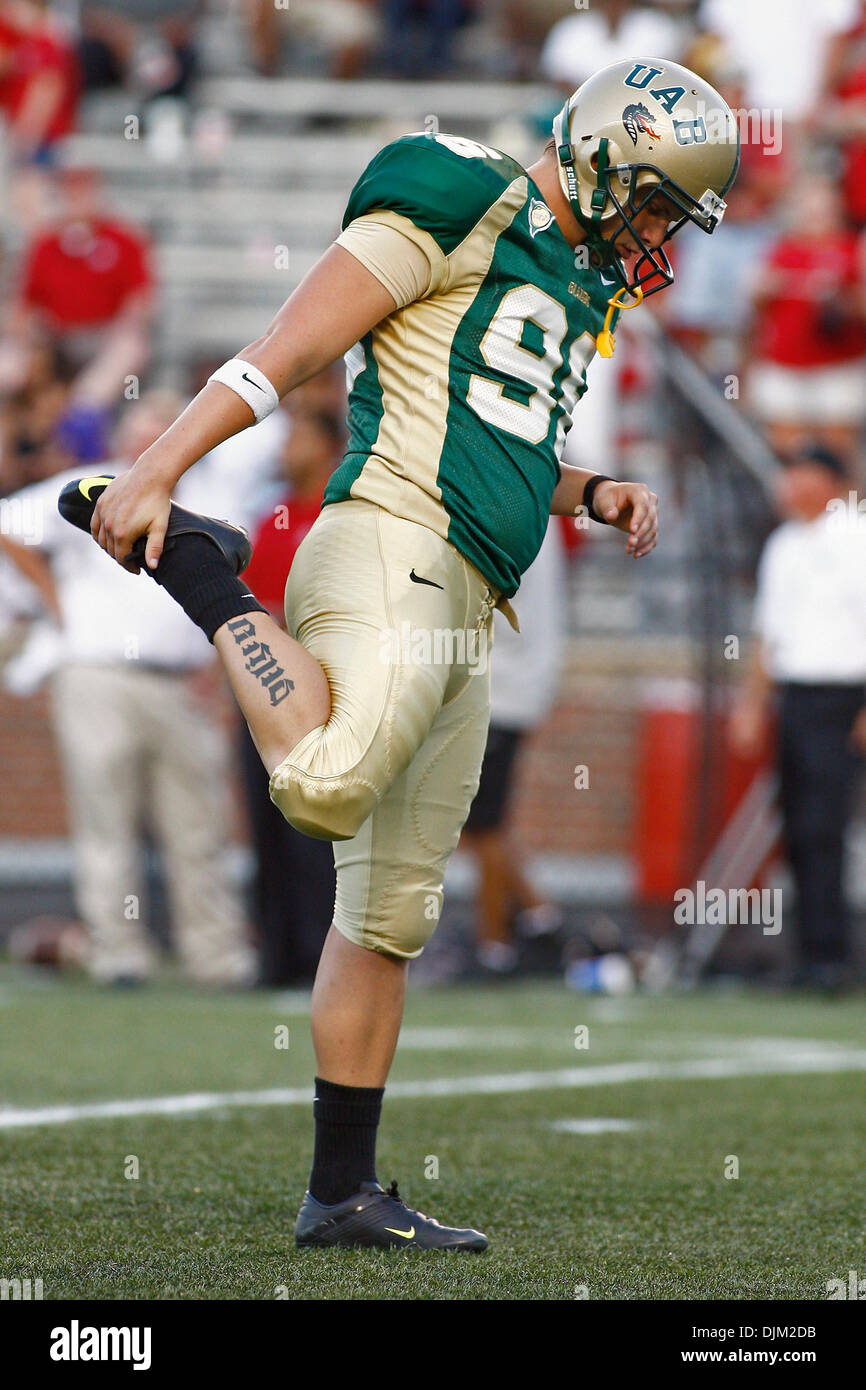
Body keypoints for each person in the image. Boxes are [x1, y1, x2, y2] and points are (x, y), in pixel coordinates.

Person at [65, 58, 737, 1250]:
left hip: (468, 595)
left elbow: (498, 434)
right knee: (323, 783)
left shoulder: (566, 276)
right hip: (393, 543)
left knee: (387, 915)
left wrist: (588, 490)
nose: (652, 236)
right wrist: (159, 467)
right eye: (650, 203)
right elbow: (287, 346)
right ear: (598, 153)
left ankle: (342, 1193)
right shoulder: (460, 190)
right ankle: (205, 570)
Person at [1, 394, 253, 987]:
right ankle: (119, 954)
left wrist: (215, 664)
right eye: (144, 429)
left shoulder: (212, 496)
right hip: (100, 672)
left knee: (200, 826)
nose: (151, 442)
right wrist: (56, 603)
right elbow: (10, 524)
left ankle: (216, 956)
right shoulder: (96, 487)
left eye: (164, 431)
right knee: (106, 818)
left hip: (181, 682)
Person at [731, 446, 866, 991]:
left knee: (825, 827)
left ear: (828, 481)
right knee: (799, 825)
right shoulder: (783, 544)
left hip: (845, 696)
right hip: (797, 698)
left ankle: (831, 954)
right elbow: (768, 633)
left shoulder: (856, 537)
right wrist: (752, 704)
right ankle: (812, 953)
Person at [239, 405, 343, 986]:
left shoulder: (342, 514)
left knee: (314, 831)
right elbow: (251, 608)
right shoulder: (272, 517)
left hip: (319, 697)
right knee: (267, 824)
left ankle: (321, 955)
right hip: (263, 692)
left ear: (326, 445)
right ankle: (275, 957)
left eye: (298, 435)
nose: (285, 447)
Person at [459, 520, 567, 976]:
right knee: (479, 819)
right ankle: (540, 919)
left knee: (482, 821)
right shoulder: (530, 505)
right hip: (501, 680)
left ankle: (495, 947)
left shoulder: (513, 506)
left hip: (499, 685)